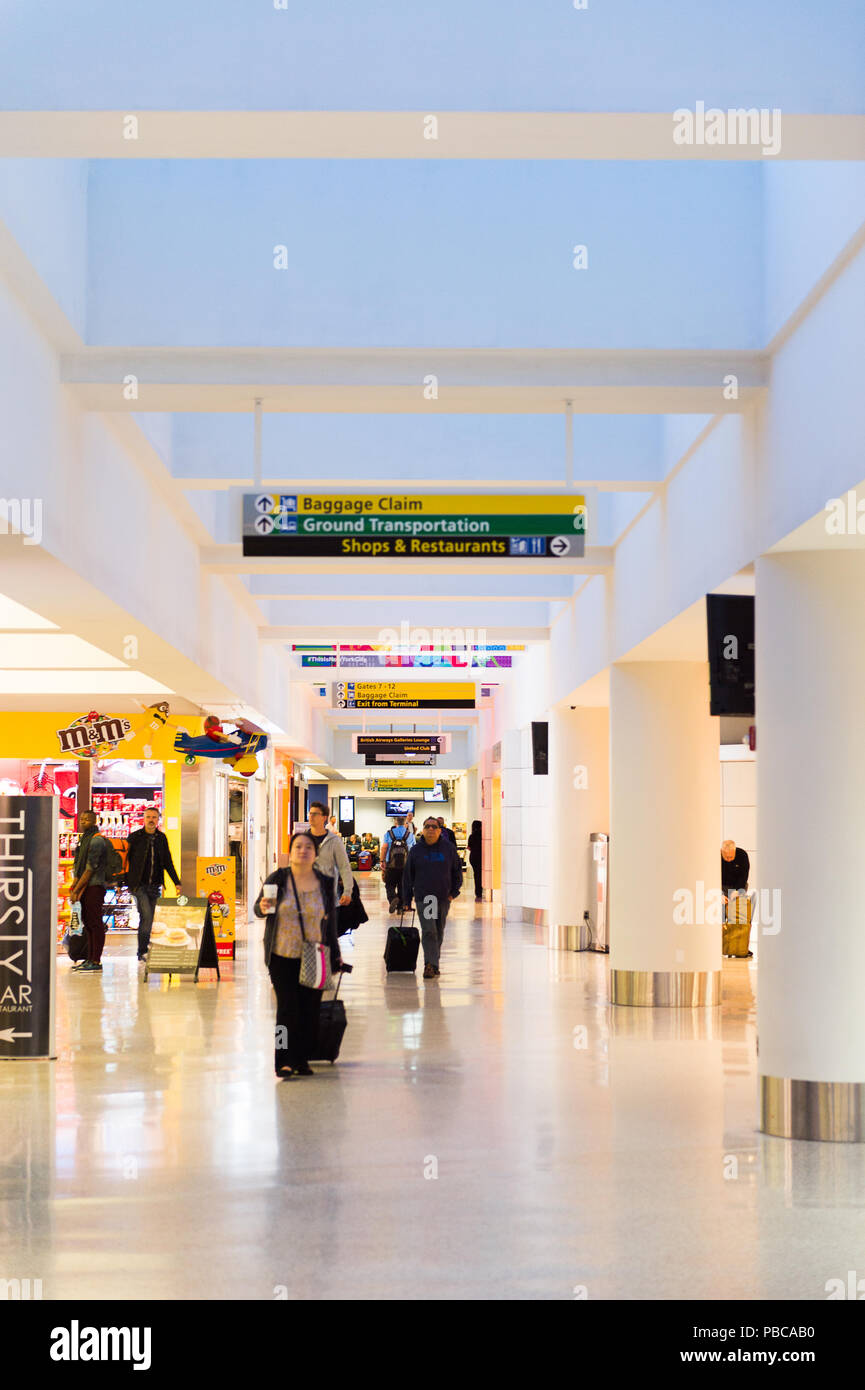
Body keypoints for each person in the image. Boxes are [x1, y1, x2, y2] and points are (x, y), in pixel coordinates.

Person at [254, 830, 345, 1078]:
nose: (303, 851)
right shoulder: (278, 878)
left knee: (309, 1010)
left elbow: (331, 922)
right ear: (290, 852)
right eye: (298, 847)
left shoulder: (325, 882)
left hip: (315, 953)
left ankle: (302, 1058)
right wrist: (262, 907)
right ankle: (283, 1060)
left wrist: (335, 954)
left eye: (308, 847)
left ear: (315, 854)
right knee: (287, 1009)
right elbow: (258, 908)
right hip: (281, 954)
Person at [403, 816, 462, 980]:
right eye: (427, 826)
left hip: (443, 897)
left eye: (434, 827)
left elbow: (457, 871)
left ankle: (433, 962)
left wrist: (454, 893)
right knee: (429, 931)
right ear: (422, 830)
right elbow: (408, 876)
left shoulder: (448, 849)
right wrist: (406, 900)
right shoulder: (416, 850)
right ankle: (430, 965)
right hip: (425, 897)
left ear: (439, 830)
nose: (430, 829)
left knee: (439, 931)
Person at [127, 805, 182, 961]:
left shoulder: (161, 838)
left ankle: (144, 950)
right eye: (148, 817)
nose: (151, 820)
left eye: (154, 817)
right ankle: (142, 951)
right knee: (146, 916)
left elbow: (167, 862)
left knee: (150, 919)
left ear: (158, 820)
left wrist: (176, 882)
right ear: (143, 819)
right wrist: (123, 882)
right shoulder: (134, 837)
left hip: (155, 886)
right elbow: (125, 860)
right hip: (139, 886)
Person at [68, 809, 110, 973]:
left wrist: (76, 889)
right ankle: (89, 958)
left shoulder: (96, 840)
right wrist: (75, 887)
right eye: (82, 818)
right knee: (88, 923)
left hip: (94, 886)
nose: (83, 821)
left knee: (95, 923)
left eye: (87, 819)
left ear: (94, 821)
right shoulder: (84, 839)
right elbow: (79, 867)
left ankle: (96, 960)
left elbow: (89, 869)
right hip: (85, 886)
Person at [307, 802, 354, 907]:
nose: (311, 816)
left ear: (324, 817)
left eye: (315, 814)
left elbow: (344, 866)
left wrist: (347, 891)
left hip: (327, 898)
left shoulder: (334, 841)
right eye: (310, 813)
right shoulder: (302, 840)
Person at [381, 815, 415, 915]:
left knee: (389, 885)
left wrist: (382, 861)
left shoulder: (389, 833)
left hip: (390, 865)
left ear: (395, 823)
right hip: (405, 865)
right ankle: (400, 908)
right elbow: (413, 850)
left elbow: (384, 848)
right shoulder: (410, 835)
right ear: (405, 823)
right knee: (402, 886)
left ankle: (393, 899)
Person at [721, 839, 750, 907]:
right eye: (726, 857)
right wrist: (719, 894)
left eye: (730, 857)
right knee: (721, 907)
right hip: (722, 886)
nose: (728, 860)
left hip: (739, 885)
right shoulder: (716, 856)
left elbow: (744, 875)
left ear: (734, 851)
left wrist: (737, 890)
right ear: (722, 852)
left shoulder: (742, 855)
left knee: (736, 907)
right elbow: (713, 877)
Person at [467, 819, 483, 902]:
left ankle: (478, 892)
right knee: (480, 874)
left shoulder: (471, 836)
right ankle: (481, 890)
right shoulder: (483, 836)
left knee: (476, 874)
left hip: (473, 857)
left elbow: (469, 847)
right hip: (480, 857)